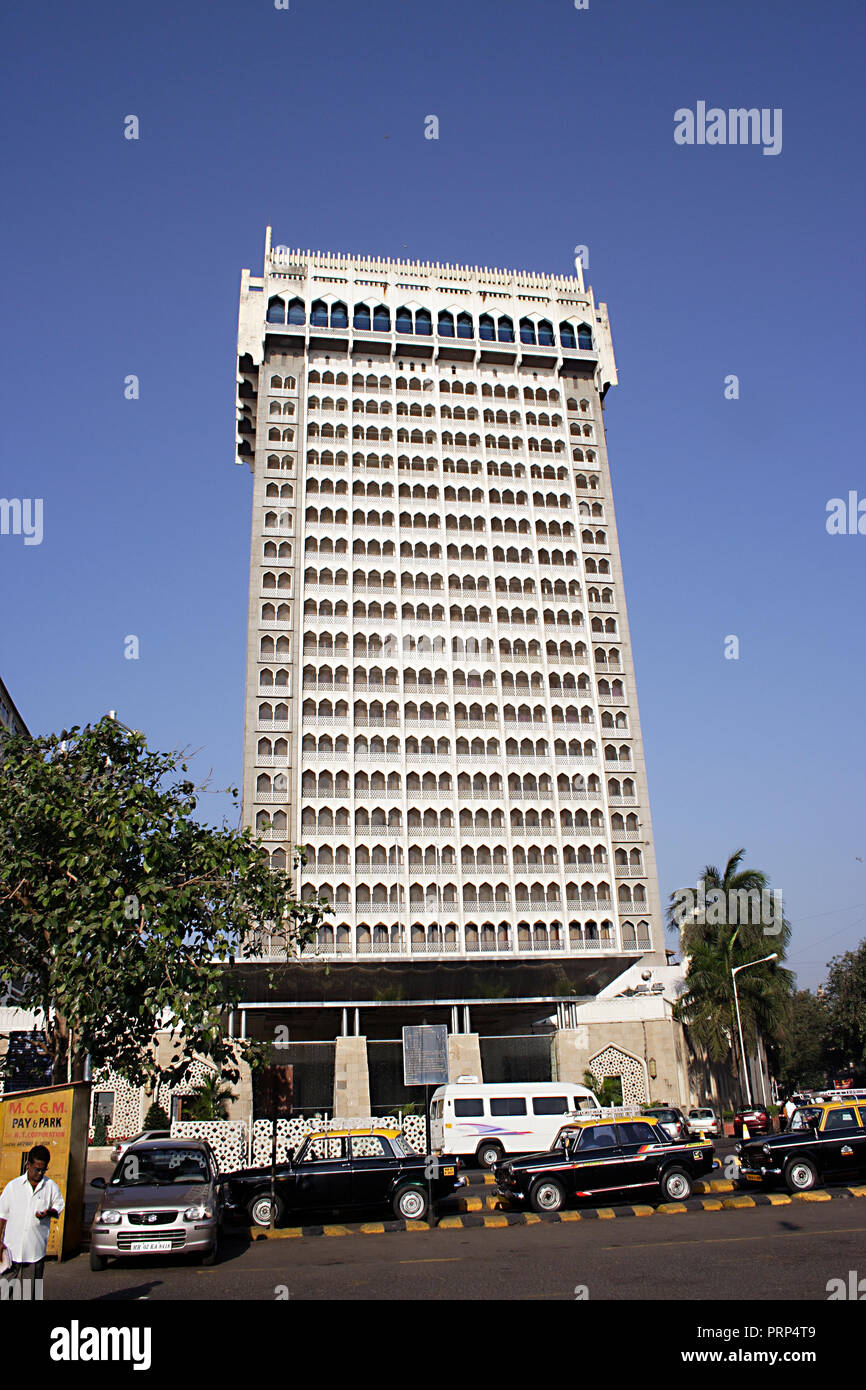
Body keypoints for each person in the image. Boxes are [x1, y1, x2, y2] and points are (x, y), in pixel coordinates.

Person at [0, 1145, 65, 1299]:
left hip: (34, 1252)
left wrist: (48, 1212)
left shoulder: (50, 1187)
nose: (40, 1173)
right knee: (4, 1294)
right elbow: (2, 1215)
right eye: (36, 1169)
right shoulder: (13, 1187)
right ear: (28, 1165)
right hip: (11, 1251)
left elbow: (58, 1207)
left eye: (43, 1170)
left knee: (30, 1296)